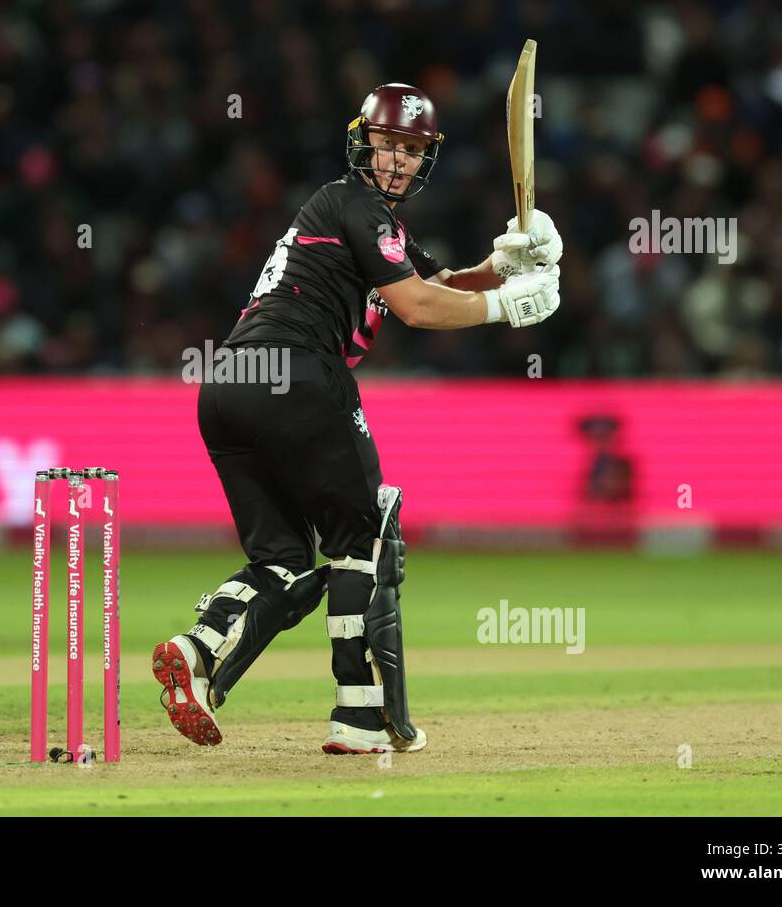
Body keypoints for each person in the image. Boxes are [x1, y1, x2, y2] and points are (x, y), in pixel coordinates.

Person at [152, 83, 564, 753]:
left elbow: (440, 285)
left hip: (227, 386)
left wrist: (507, 264)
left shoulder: (366, 221)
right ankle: (359, 717)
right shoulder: (356, 203)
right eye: (389, 145)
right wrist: (512, 306)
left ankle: (193, 652)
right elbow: (420, 308)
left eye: (412, 150)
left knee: (283, 563)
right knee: (363, 541)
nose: (398, 161)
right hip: (298, 375)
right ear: (361, 141)